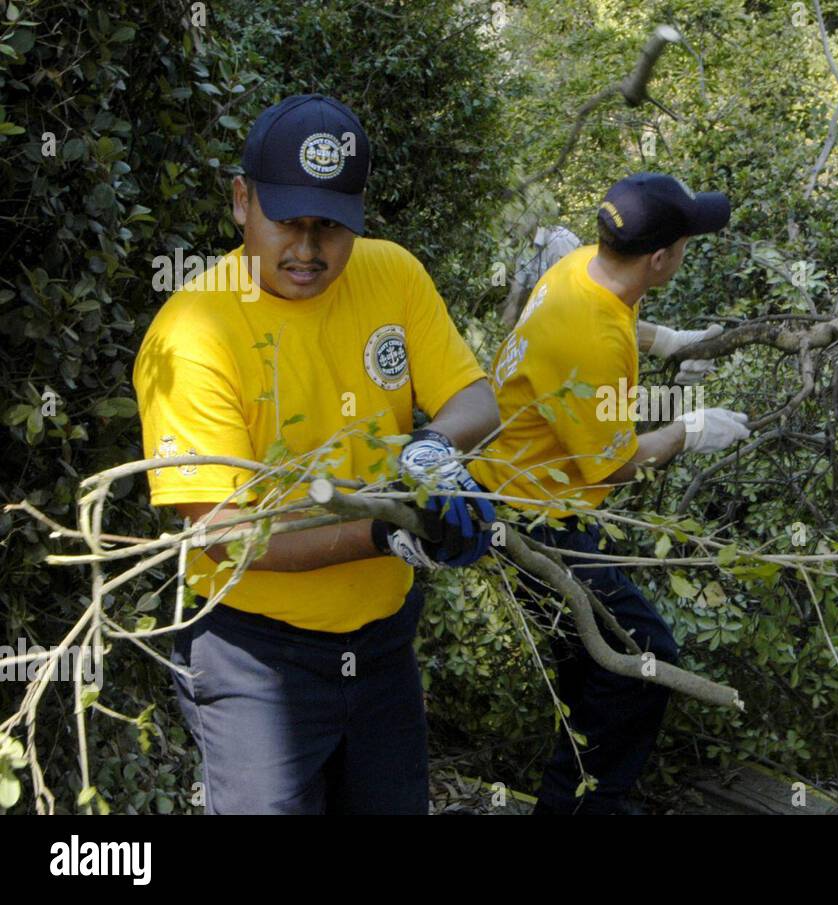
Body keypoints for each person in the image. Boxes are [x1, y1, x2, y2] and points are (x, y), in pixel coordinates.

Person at [132, 94, 499, 814]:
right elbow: (228, 534)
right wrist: (387, 532)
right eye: (288, 221)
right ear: (242, 202)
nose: (307, 249)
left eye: (329, 225)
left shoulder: (392, 274)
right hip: (256, 662)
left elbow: (475, 399)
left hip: (383, 645)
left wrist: (431, 452)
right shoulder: (193, 334)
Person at [469, 173, 750, 814]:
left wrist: (671, 342)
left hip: (520, 495)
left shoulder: (581, 266)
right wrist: (688, 431)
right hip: (538, 519)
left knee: (590, 665)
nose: (687, 251)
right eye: (686, 242)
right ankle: (581, 807)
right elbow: (616, 467)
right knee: (641, 661)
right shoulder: (592, 339)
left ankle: (575, 798)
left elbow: (615, 324)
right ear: (661, 258)